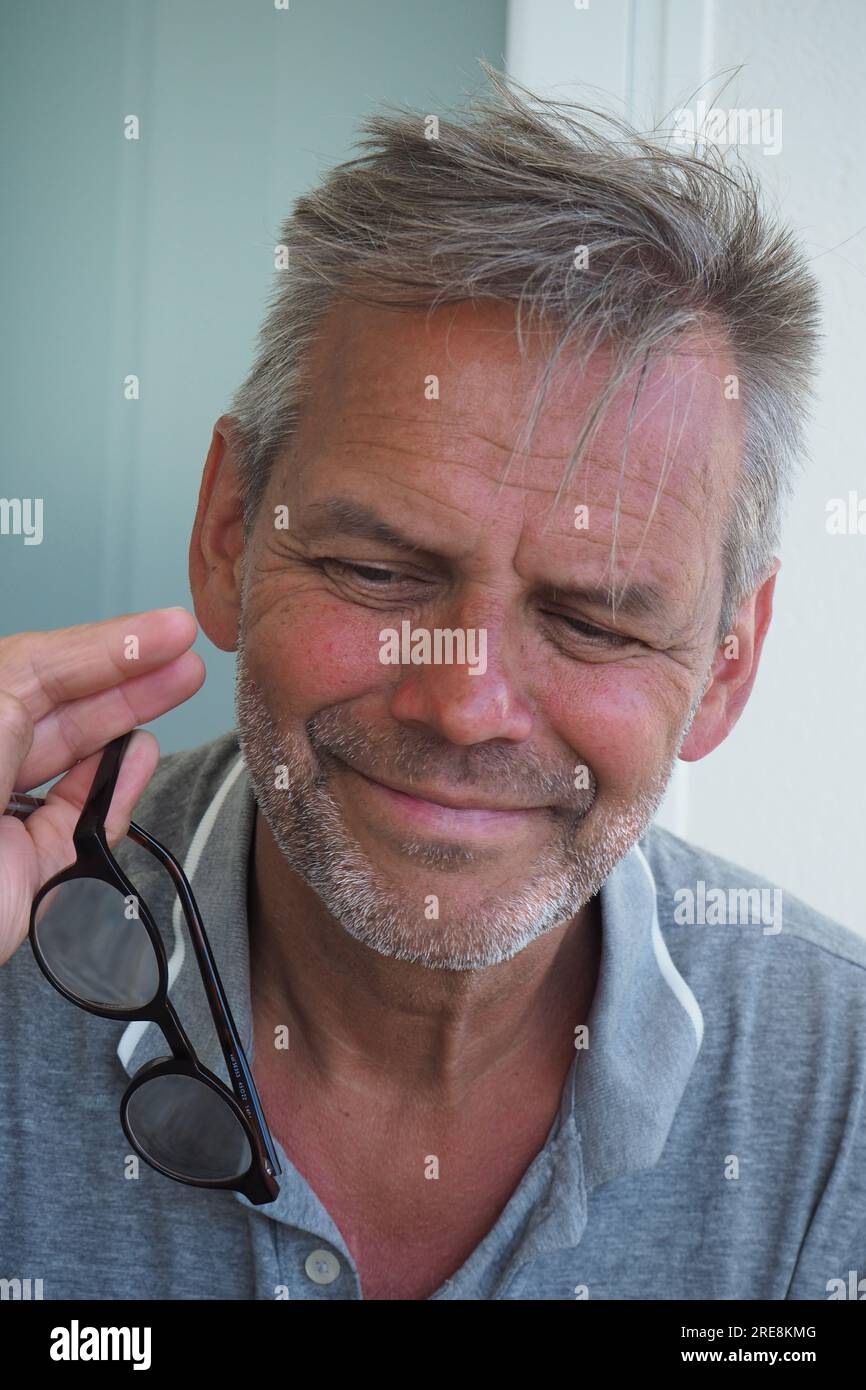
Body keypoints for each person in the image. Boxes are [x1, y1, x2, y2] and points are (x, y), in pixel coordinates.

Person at [1, 67, 864, 1302]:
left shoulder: (842, 1100)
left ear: (727, 661)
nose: (463, 705)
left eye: (593, 621)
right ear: (230, 530)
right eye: (376, 571)